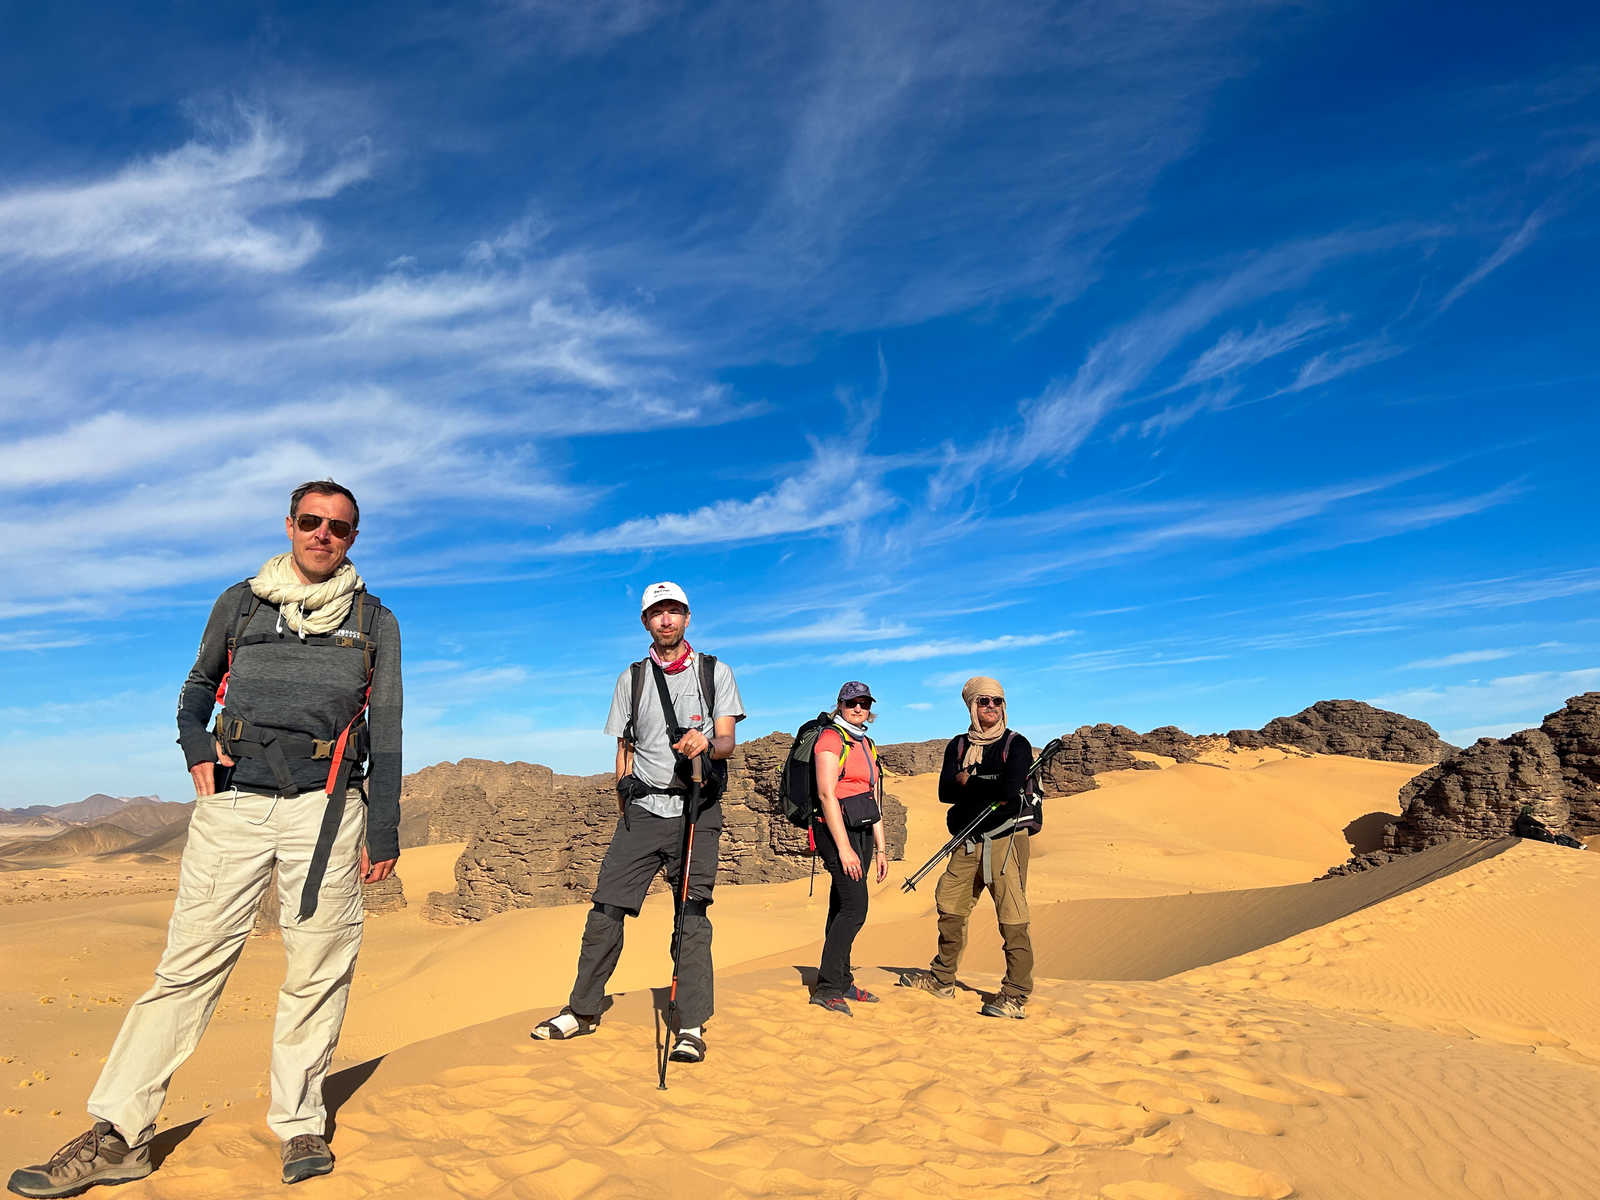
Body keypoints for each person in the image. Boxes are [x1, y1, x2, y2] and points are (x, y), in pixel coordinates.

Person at [8, 480, 402, 1198]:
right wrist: (195, 746)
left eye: (339, 527)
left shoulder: (375, 620)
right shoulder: (241, 603)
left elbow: (390, 727)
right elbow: (197, 688)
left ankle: (300, 1124)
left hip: (327, 809)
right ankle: (120, 1134)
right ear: (289, 525)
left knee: (319, 970)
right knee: (187, 968)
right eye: (310, 521)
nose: (323, 534)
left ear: (354, 538)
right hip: (235, 803)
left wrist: (385, 831)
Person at [531, 581, 744, 1064]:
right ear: (646, 622)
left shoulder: (716, 672)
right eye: (657, 613)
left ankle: (690, 1024)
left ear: (687, 617)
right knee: (605, 910)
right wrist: (623, 802)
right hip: (643, 812)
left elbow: (728, 741)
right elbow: (624, 747)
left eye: (674, 611)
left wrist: (706, 744)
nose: (666, 620)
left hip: (697, 810)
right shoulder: (631, 678)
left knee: (692, 916)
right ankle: (582, 1009)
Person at [898, 676, 1034, 1019]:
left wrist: (969, 780)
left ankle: (1016, 994)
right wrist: (988, 783)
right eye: (983, 701)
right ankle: (942, 979)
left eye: (997, 701)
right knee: (950, 907)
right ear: (972, 705)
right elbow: (945, 792)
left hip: (1006, 839)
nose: (991, 707)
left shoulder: (1016, 744)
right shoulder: (958, 746)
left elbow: (1009, 790)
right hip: (967, 840)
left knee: (1012, 916)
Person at [809, 682, 888, 1017]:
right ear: (840, 704)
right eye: (852, 702)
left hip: (862, 827)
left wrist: (881, 848)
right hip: (834, 831)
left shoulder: (866, 743)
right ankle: (827, 987)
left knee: (842, 904)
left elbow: (873, 797)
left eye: (864, 703)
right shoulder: (831, 739)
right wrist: (843, 848)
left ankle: (841, 980)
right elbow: (826, 794)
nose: (858, 708)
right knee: (856, 907)